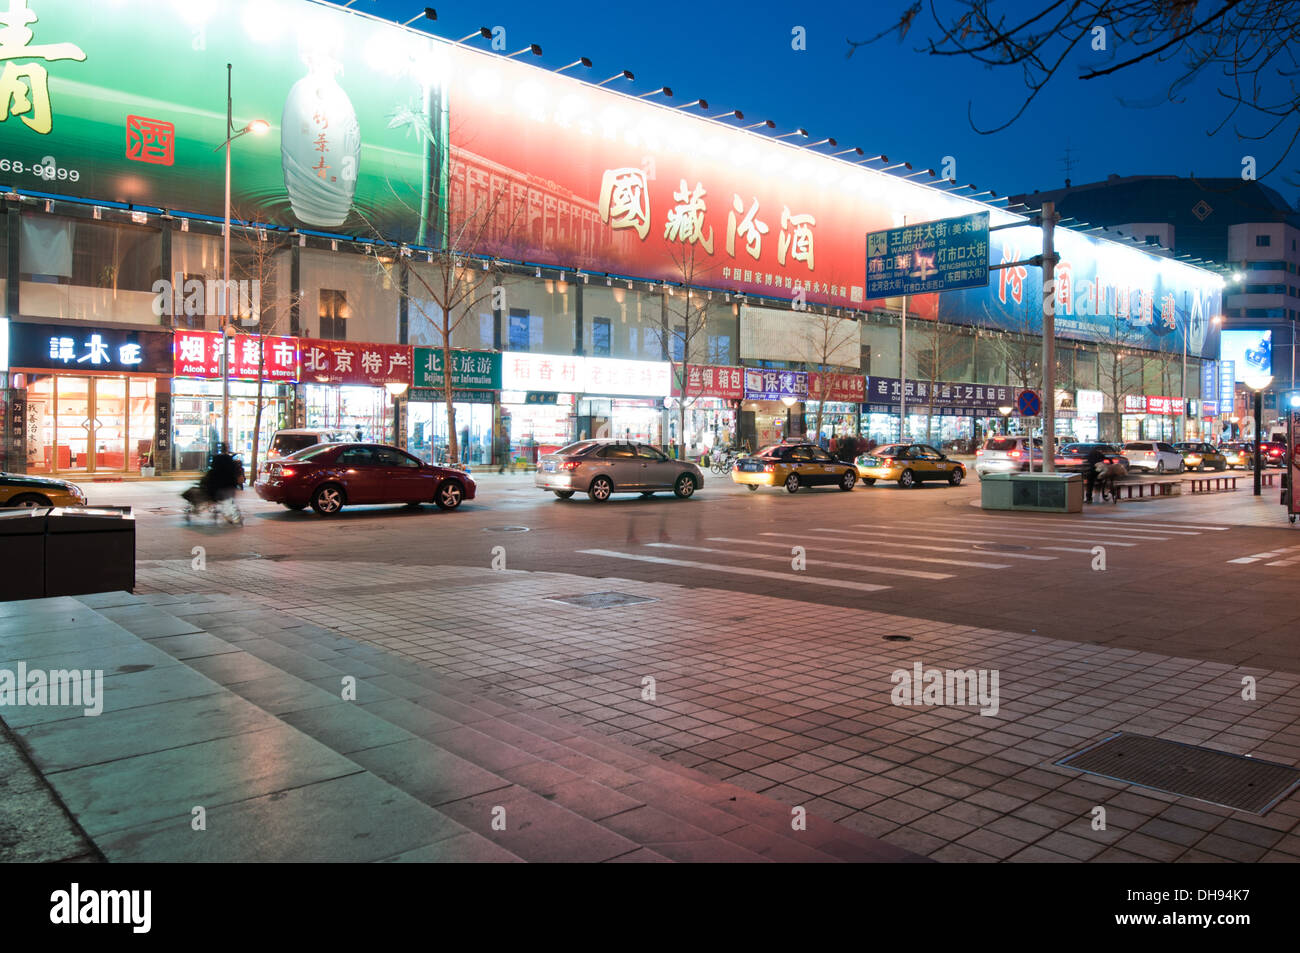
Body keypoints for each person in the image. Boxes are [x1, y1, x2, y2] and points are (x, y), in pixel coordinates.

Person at [203, 444, 242, 522]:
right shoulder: (230, 459)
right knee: (228, 501)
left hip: (219, 486)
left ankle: (231, 516)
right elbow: (234, 471)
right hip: (229, 485)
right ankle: (232, 516)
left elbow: (213, 471)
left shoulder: (216, 459)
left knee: (226, 501)